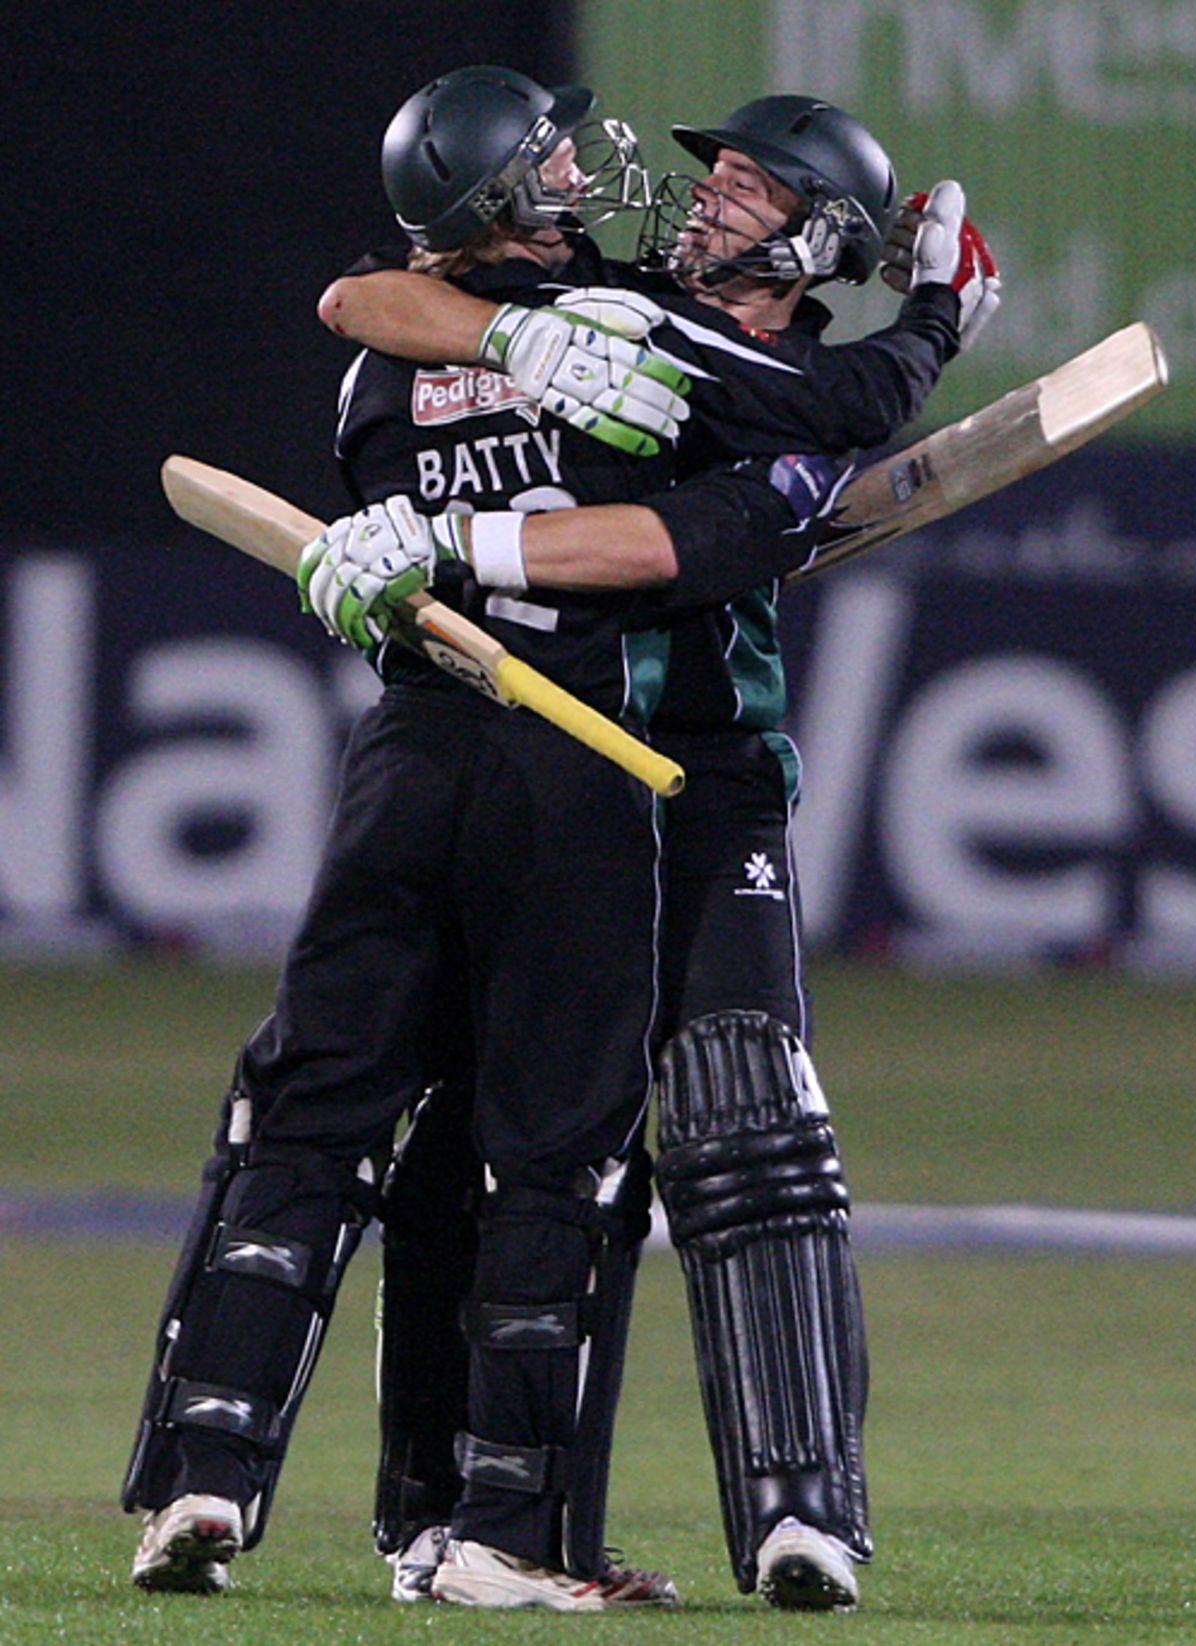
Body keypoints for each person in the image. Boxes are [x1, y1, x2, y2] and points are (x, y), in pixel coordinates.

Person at [309, 75, 999, 1610]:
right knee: (525, 1149)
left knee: (754, 1107)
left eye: (749, 189)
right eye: (714, 177)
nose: (706, 199)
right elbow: (369, 296)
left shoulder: (792, 390)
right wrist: (510, 336)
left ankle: (802, 1513)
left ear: (817, 238)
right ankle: (465, 1521)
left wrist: (452, 540)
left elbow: (797, 453)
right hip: (550, 773)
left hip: (709, 777)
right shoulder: (612, 298)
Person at [119, 66, 741, 1614]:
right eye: (551, 158)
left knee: (308, 1110)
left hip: (409, 755)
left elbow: (367, 304)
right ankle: (502, 1532)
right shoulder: (624, 321)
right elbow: (766, 436)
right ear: (503, 204)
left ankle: (203, 1474)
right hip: (575, 751)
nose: (581, 171)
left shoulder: (379, 374)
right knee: (558, 1149)